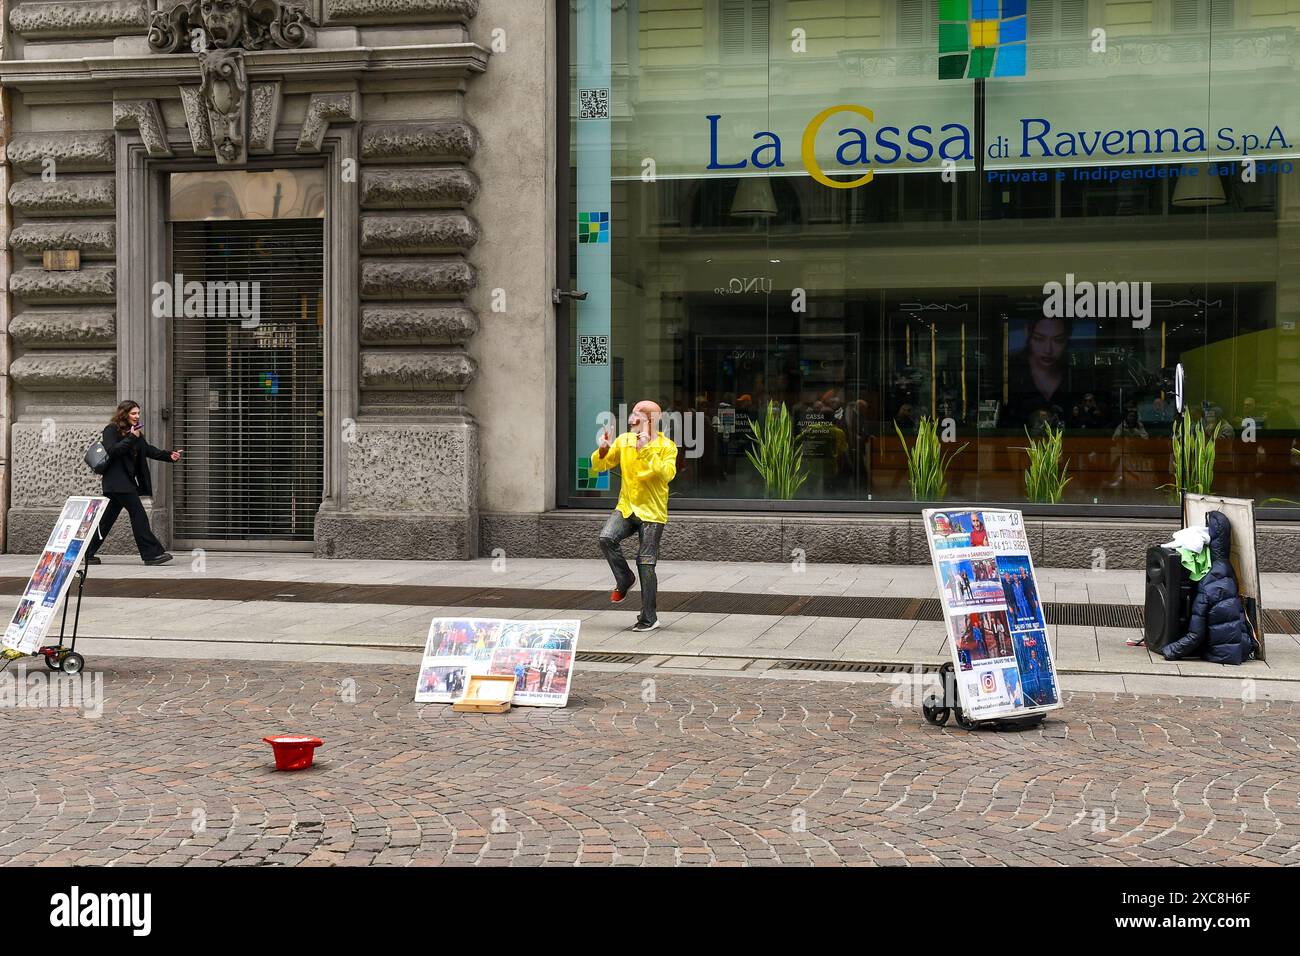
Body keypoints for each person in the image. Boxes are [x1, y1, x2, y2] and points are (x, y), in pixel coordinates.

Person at [591, 400, 679, 632]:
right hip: (627, 507)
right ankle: (625, 579)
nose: (632, 419)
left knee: (646, 563)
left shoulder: (666, 446)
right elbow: (601, 465)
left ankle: (649, 617)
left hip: (652, 512)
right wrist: (602, 451)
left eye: (638, 415)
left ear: (650, 420)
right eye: (632, 414)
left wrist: (647, 449)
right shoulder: (624, 441)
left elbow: (667, 474)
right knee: (606, 538)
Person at [82, 400, 182, 567]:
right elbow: (112, 451)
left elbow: (148, 450)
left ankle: (86, 552)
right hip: (116, 482)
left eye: (138, 413)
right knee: (139, 515)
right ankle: (151, 554)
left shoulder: (134, 433)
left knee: (106, 520)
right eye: (133, 413)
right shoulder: (111, 430)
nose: (137, 416)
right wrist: (130, 437)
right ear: (124, 413)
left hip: (124, 483)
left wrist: (168, 455)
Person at [1003, 316, 1077, 429]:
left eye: (1058, 340)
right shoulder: (1011, 371)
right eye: (1039, 339)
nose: (1048, 350)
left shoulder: (1075, 375)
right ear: (1027, 333)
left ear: (1067, 338)